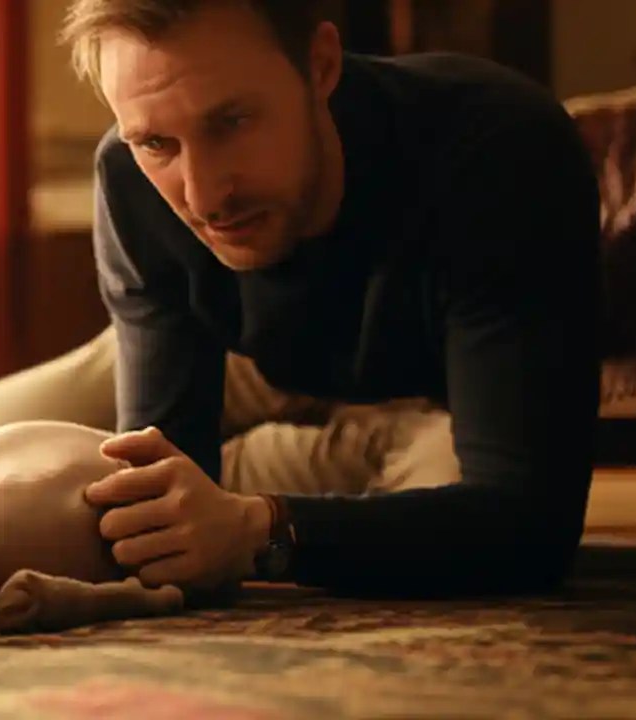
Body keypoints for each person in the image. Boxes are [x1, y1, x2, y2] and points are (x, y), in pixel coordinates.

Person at [62, 0, 602, 596]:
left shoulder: (500, 145)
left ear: (320, 66)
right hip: (240, 349)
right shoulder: (128, 174)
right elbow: (158, 482)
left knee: (459, 529)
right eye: (157, 142)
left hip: (433, 393)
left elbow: (527, 525)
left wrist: (257, 528)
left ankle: (262, 479)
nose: (205, 195)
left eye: (232, 122)